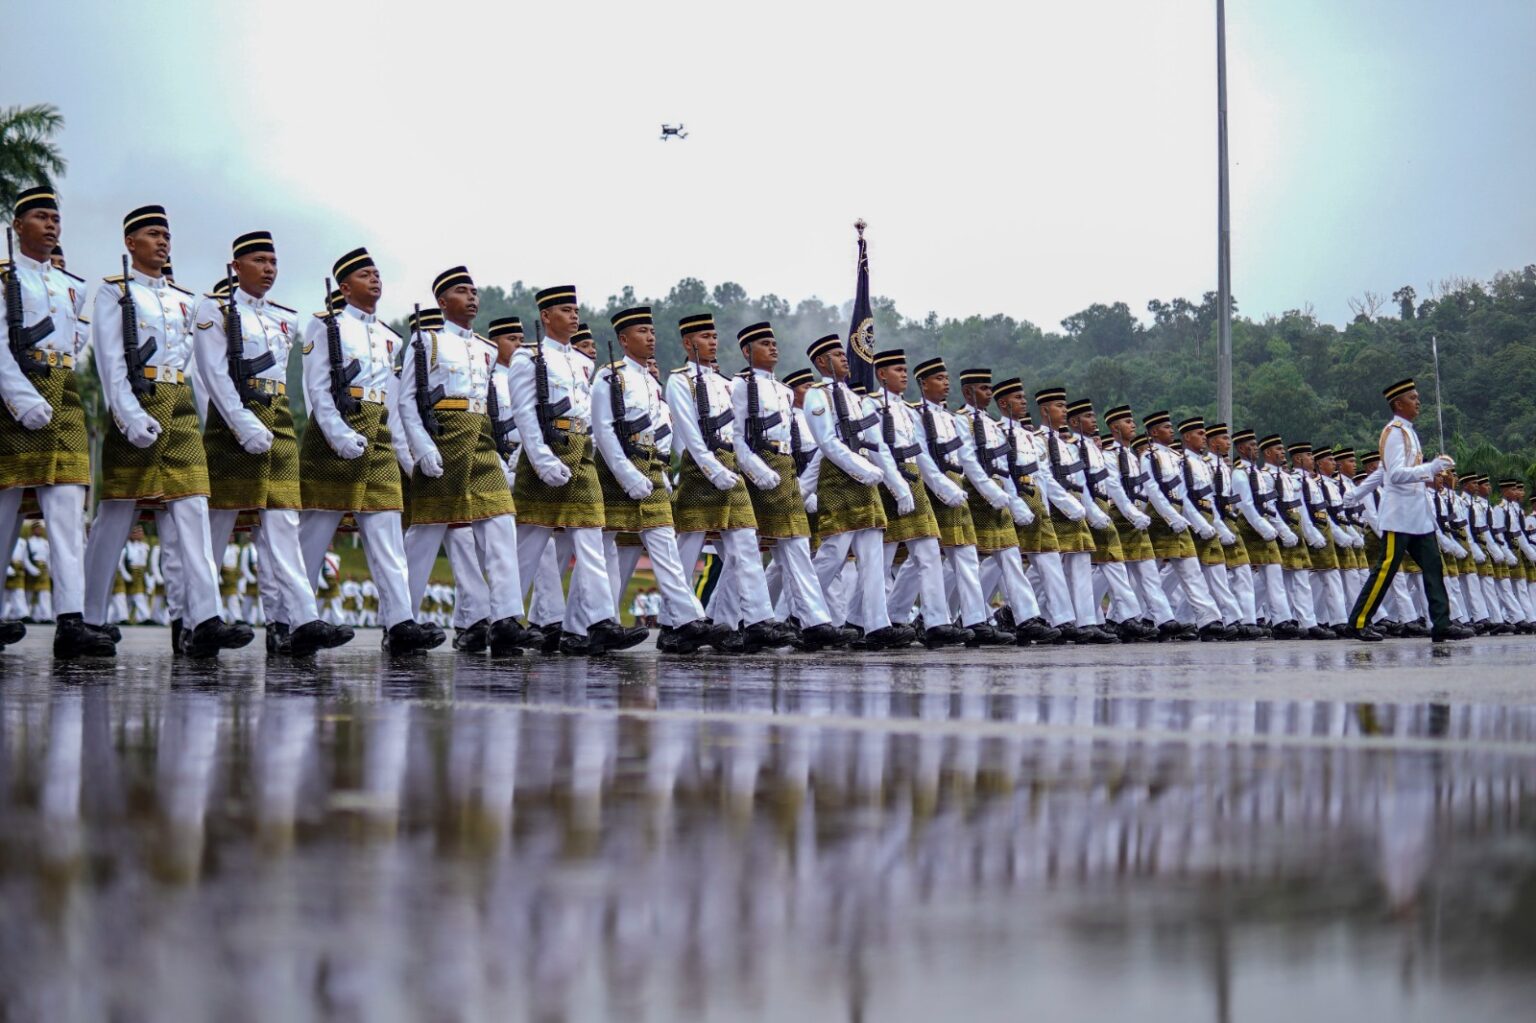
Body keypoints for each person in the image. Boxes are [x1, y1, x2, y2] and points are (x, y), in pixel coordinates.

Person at [83, 205, 251, 658]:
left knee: (193, 511)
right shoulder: (111, 292)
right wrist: (127, 413)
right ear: (130, 242)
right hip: (137, 404)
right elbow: (110, 360)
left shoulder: (184, 298)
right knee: (116, 517)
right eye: (153, 234)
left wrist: (198, 414)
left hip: (179, 412)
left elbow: (196, 367)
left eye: (167, 236)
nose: (163, 242)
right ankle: (89, 617)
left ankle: (205, 618)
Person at [194, 230, 346, 656]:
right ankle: (195, 621)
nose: (268, 269)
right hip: (230, 427)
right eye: (259, 261)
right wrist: (241, 424)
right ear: (236, 266)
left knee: (283, 525)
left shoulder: (286, 316)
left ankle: (301, 619)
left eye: (273, 262)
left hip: (277, 422)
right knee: (216, 530)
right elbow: (213, 374)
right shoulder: (215, 309)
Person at [298, 248, 440, 654]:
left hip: (376, 435)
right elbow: (318, 388)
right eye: (365, 274)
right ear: (345, 287)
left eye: (377, 273)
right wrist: (336, 432)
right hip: (333, 435)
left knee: (387, 534)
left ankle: (399, 622)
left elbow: (392, 401)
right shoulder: (325, 326)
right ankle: (296, 619)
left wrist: (403, 449)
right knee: (315, 533)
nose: (375, 279)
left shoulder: (389, 337)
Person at [398, 266, 534, 657]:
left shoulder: (486, 349)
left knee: (501, 521)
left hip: (482, 437)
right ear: (443, 302)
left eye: (474, 291)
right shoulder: (427, 342)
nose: (472, 297)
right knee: (426, 532)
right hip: (443, 436)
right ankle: (400, 618)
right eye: (462, 291)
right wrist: (421, 447)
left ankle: (506, 617)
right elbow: (407, 400)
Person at [0, 185, 113, 655]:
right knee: (4, 516)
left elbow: (73, 348)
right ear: (17, 227)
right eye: (41, 217)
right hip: (13, 403)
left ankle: (71, 620)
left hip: (63, 400)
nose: (51, 224)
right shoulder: (4, 278)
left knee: (67, 514)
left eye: (56, 218)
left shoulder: (73, 286)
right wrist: (21, 398)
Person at [508, 285, 645, 655]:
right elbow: (524, 413)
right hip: (547, 452)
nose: (574, 316)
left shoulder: (585, 365)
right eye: (566, 310)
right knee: (531, 544)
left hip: (581, 455)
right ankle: (504, 619)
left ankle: (601, 621)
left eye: (575, 310)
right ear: (547, 317)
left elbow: (591, 418)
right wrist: (540, 459)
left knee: (592, 539)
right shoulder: (528, 358)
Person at [590, 305, 716, 652]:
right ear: (623, 339)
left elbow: (665, 433)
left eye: (652, 332)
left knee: (664, 545)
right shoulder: (609, 375)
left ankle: (689, 618)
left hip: (653, 470)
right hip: (618, 470)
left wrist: (663, 469)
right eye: (642, 332)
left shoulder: (650, 381)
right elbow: (603, 430)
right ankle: (586, 625)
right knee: (604, 551)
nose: (650, 338)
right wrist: (626, 473)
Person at [664, 312, 788, 652]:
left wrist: (742, 468)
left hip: (730, 468)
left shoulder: (727, 383)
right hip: (698, 471)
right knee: (688, 548)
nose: (713, 341)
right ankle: (671, 622)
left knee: (745, 544)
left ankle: (757, 620)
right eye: (705, 337)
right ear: (688, 343)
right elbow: (689, 433)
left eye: (714, 336)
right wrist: (711, 468)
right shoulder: (679, 381)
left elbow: (736, 433)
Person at [730, 322, 842, 651]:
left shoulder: (784, 391)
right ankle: (731, 619)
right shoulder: (740, 386)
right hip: (759, 471)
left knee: (796, 547)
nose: (773, 348)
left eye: (774, 342)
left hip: (785, 470)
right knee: (744, 551)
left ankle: (814, 621)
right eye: (765, 344)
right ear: (748, 352)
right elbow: (737, 435)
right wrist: (754, 469)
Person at [802, 334, 912, 649]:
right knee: (834, 553)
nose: (845, 358)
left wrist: (897, 484)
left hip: (867, 483)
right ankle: (798, 613)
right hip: (839, 479)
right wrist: (861, 469)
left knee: (874, 556)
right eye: (838, 355)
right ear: (822, 362)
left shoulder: (858, 399)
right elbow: (827, 442)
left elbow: (877, 446)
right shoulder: (816, 396)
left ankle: (877, 624)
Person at [1344, 378, 1470, 642]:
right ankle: (1358, 621)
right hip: (1399, 514)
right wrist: (1432, 467)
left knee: (1434, 567)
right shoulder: (1394, 432)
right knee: (1387, 569)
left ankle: (1441, 623)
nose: (1418, 402)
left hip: (1418, 515)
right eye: (1413, 398)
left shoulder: (1409, 431)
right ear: (1398, 404)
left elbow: (1383, 472)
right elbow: (1397, 474)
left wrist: (1357, 492)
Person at [871, 350, 969, 647]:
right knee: (881, 559)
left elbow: (920, 455)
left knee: (928, 553)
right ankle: (867, 620)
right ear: (881, 375)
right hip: (890, 482)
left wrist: (941, 486)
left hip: (913, 480)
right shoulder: (872, 405)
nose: (903, 375)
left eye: (904, 369)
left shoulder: (909, 412)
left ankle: (936, 622)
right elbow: (880, 451)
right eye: (898, 370)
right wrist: (898, 487)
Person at [1140, 411, 1227, 640]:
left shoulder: (1177, 458)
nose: (1171, 430)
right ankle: (1148, 619)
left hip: (1180, 515)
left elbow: (1184, 495)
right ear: (1154, 432)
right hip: (1159, 519)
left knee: (1191, 571)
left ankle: (1208, 620)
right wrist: (1171, 517)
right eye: (1166, 427)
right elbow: (1154, 492)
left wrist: (1191, 521)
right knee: (1151, 573)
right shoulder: (1150, 457)